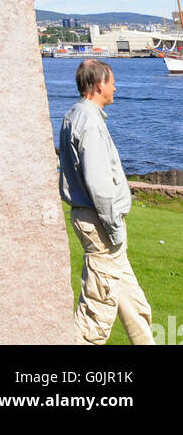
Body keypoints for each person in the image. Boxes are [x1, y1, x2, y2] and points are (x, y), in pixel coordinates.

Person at [58, 58, 155, 345]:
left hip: (95, 219)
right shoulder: (88, 120)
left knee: (132, 303)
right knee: (96, 313)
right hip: (101, 223)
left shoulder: (75, 115)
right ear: (100, 84)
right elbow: (100, 185)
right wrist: (114, 228)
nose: (116, 87)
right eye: (112, 81)